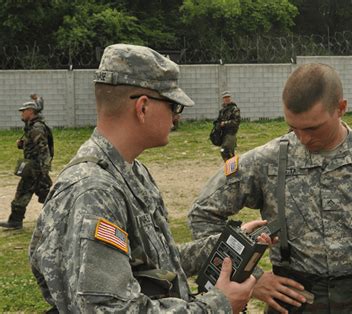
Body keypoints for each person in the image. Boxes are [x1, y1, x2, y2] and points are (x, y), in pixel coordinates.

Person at [29, 43, 271, 313]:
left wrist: (222, 245)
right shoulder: (95, 191)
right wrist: (217, 306)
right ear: (143, 107)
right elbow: (111, 309)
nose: (176, 118)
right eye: (173, 106)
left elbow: (156, 262)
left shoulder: (131, 171)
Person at [189, 63, 352, 313]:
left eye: (312, 127)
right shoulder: (266, 161)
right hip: (291, 306)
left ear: (341, 108)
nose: (303, 138)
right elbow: (203, 214)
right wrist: (251, 276)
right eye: (293, 128)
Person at [0, 100, 53, 230]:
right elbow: (34, 146)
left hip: (35, 167)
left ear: (31, 111)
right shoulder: (31, 126)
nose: (21, 113)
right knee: (43, 193)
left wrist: (43, 170)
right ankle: (56, 216)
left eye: (24, 111)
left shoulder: (37, 128)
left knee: (24, 192)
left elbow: (43, 149)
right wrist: (23, 145)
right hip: (34, 166)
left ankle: (15, 221)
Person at [215, 91, 241, 160]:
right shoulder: (222, 110)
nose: (227, 99)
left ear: (230, 98)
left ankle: (232, 168)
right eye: (225, 97)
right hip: (223, 134)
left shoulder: (234, 109)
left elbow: (236, 122)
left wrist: (225, 123)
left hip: (231, 134)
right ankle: (230, 168)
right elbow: (218, 120)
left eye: (228, 97)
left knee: (225, 151)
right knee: (228, 153)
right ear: (223, 99)